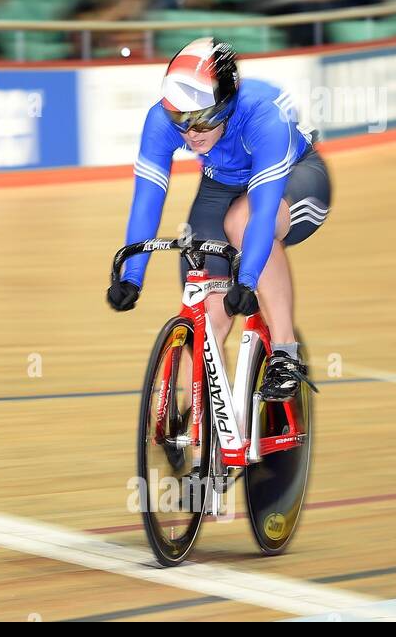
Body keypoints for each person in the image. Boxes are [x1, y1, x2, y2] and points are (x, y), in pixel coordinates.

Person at [106, 37, 331, 401]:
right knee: (206, 313)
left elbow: (261, 209)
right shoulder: (161, 120)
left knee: (242, 224)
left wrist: (247, 278)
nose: (191, 134)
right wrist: (132, 275)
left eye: (202, 122)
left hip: (294, 179)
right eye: (181, 122)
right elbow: (148, 199)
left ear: (225, 106)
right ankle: (211, 433)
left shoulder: (262, 115)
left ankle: (286, 355)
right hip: (221, 185)